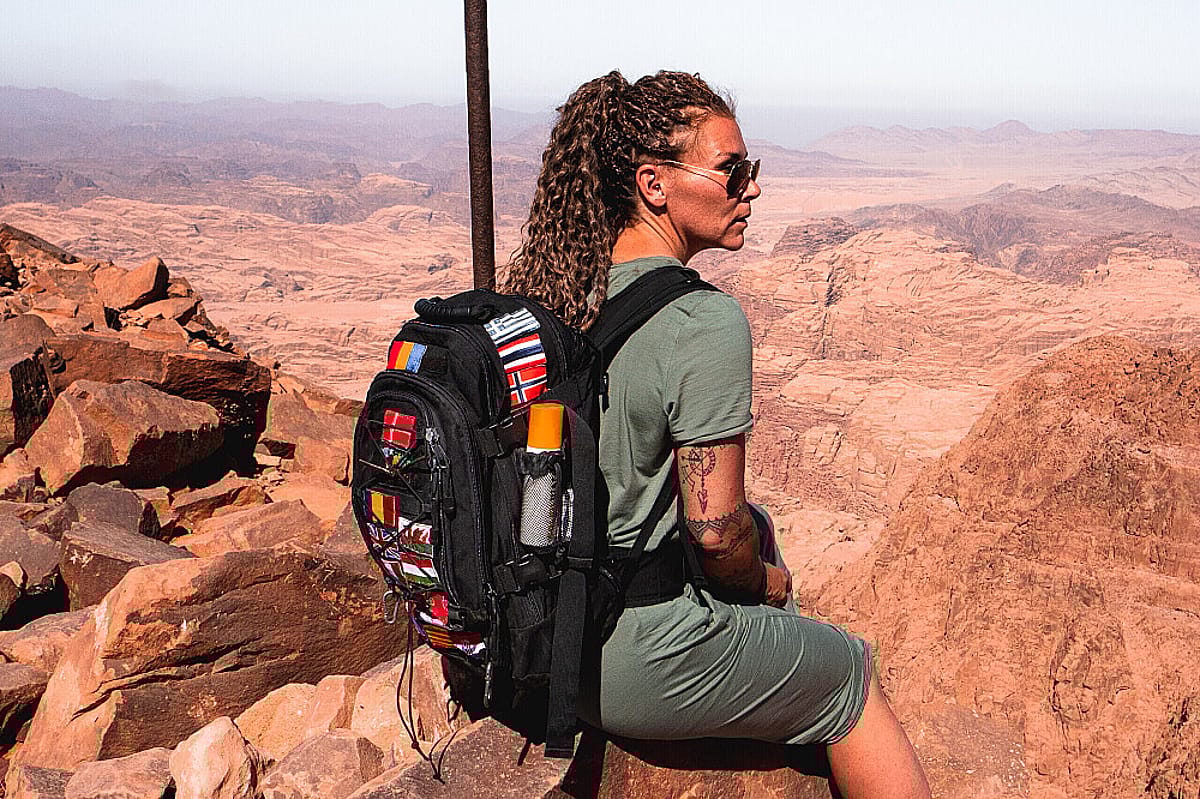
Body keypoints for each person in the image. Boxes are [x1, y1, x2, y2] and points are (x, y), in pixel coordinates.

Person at [503, 70, 930, 799]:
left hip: (541, 638)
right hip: (629, 654)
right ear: (655, 182)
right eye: (733, 170)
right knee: (851, 678)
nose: (752, 188)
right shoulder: (702, 322)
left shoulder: (564, 288)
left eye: (751, 170)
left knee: (759, 525)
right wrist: (771, 583)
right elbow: (713, 530)